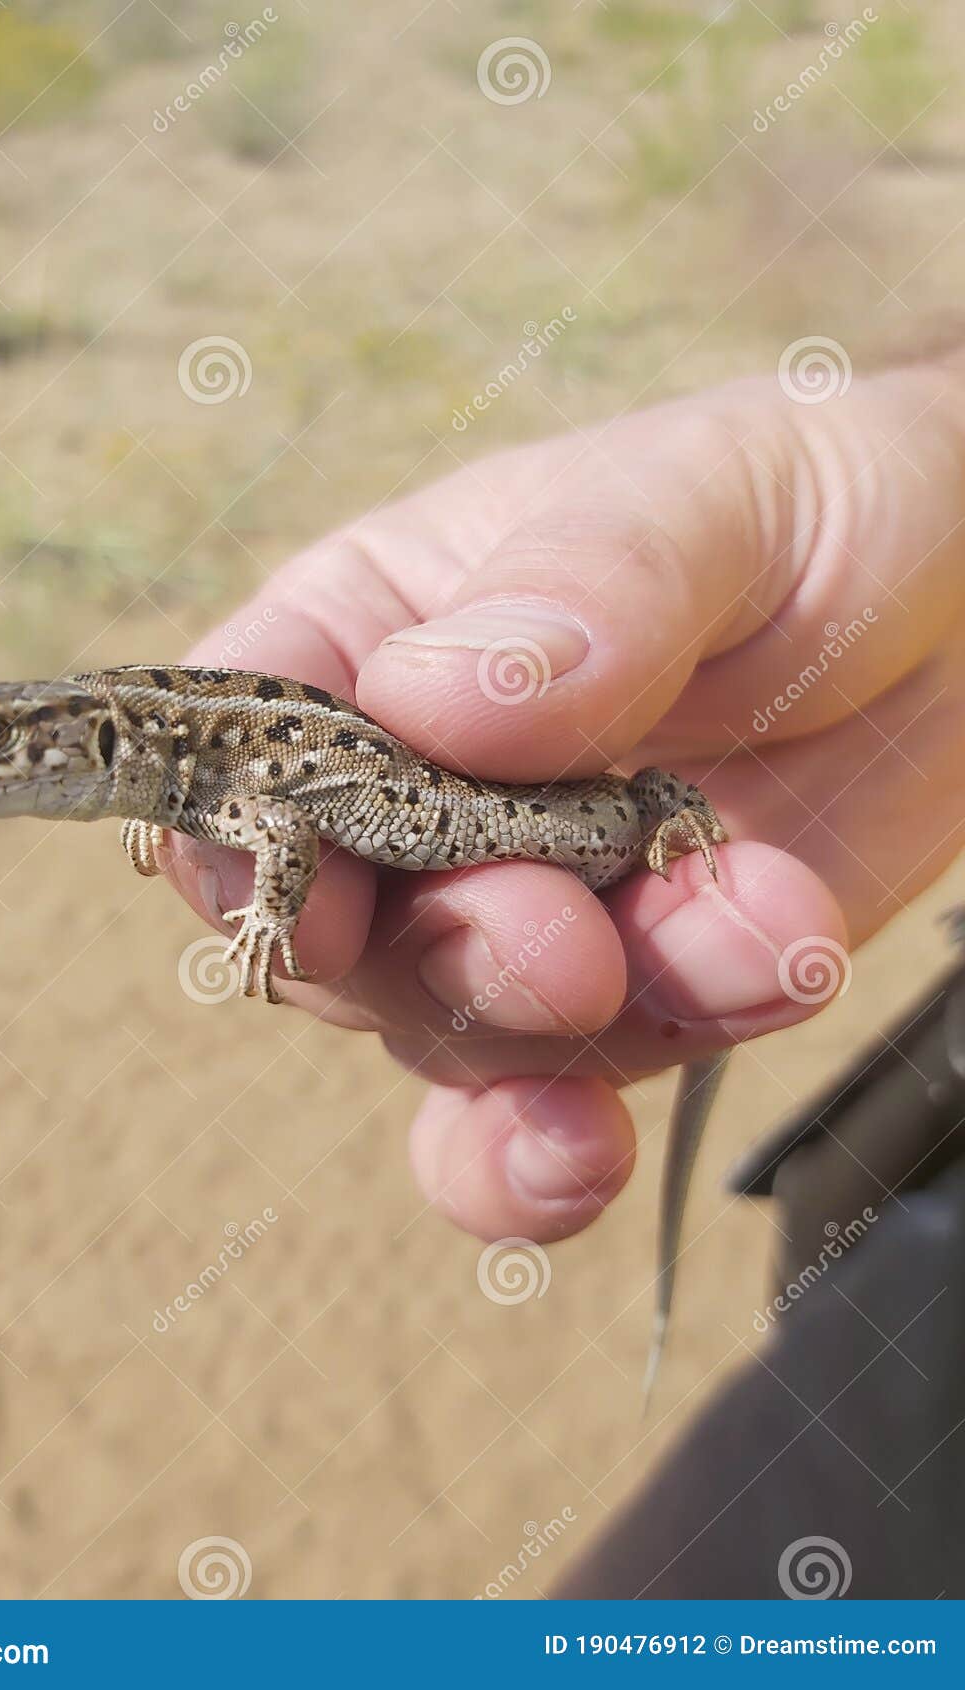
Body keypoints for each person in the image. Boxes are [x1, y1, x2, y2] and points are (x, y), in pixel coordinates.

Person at [150, 356, 965, 1247]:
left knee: (586, 920)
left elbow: (653, 790)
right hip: (581, 868)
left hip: (607, 825)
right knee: (549, 972)